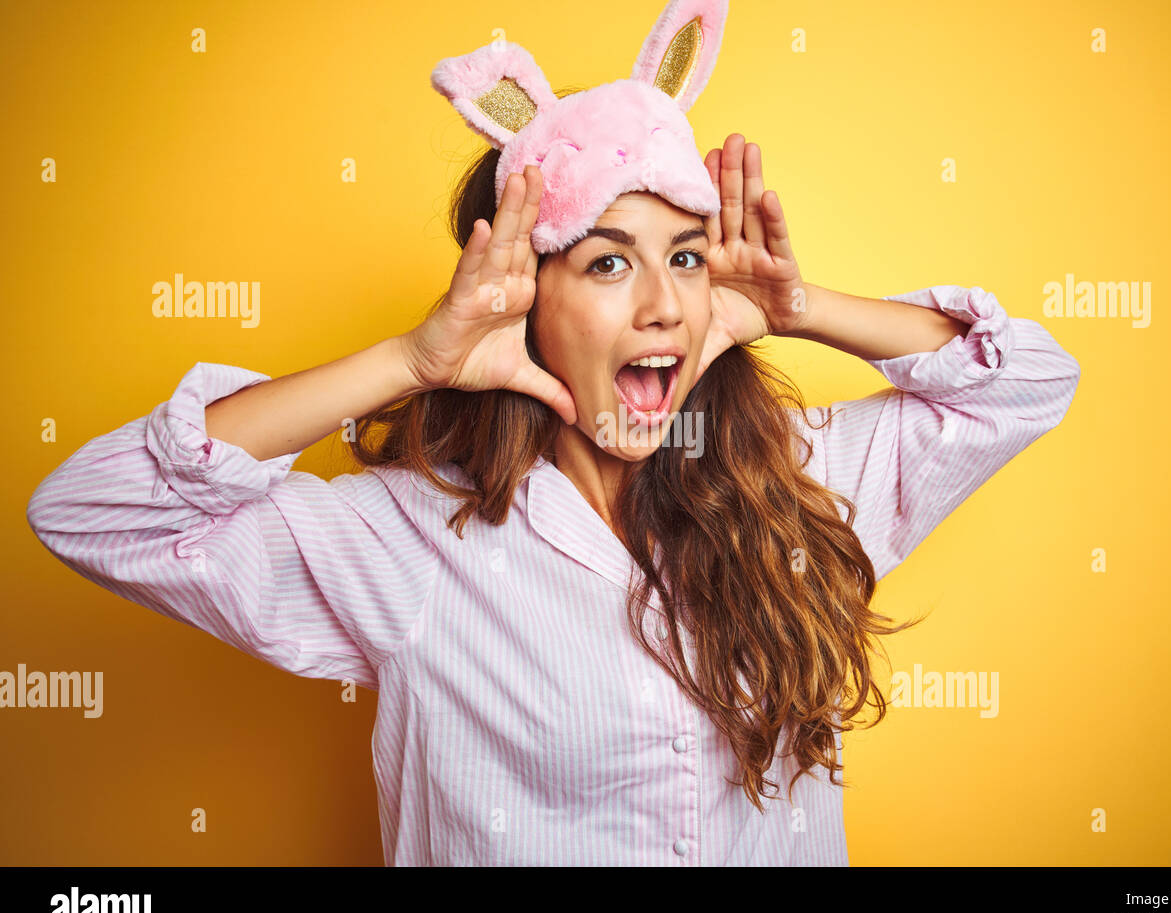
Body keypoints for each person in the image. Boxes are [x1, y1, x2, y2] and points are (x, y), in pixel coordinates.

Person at [25, 0, 1081, 865]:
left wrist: (797, 308)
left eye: (684, 257)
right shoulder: (410, 543)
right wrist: (408, 361)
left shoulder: (801, 484)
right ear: (528, 296)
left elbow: (1025, 381)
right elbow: (94, 510)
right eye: (609, 261)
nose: (663, 305)